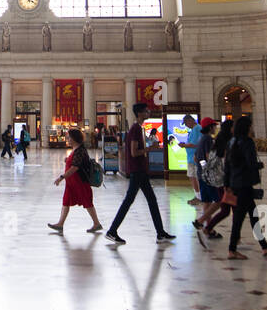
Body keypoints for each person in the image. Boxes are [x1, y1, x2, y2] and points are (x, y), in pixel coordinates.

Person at [105, 102, 176, 245]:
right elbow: (134, 152)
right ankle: (112, 231)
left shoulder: (138, 128)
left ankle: (160, 232)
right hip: (137, 171)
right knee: (130, 201)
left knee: (151, 200)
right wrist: (150, 149)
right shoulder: (136, 129)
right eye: (146, 111)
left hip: (141, 171)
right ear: (140, 113)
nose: (148, 112)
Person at [224, 115, 267, 259]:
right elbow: (251, 163)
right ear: (247, 127)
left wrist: (226, 184)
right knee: (238, 219)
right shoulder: (247, 142)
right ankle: (232, 249)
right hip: (245, 184)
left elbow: (227, 165)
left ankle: (264, 246)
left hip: (236, 183)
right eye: (250, 126)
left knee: (253, 216)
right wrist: (260, 165)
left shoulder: (231, 142)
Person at [48, 128, 104, 234]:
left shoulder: (80, 151)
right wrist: (67, 160)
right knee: (66, 201)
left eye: (69, 137)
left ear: (74, 138)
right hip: (71, 184)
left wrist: (61, 177)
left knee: (87, 202)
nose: (67, 139)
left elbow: (74, 168)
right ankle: (60, 224)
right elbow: (73, 163)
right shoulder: (76, 149)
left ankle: (97, 223)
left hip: (80, 182)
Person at [193, 118, 230, 240]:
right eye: (214, 126)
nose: (215, 128)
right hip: (208, 177)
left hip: (201, 174)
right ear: (210, 127)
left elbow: (196, 158)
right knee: (219, 200)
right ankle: (203, 222)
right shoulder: (208, 139)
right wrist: (208, 169)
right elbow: (209, 157)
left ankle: (208, 228)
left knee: (207, 202)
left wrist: (202, 168)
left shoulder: (200, 139)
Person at [180, 114, 202, 207]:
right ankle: (197, 196)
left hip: (195, 158)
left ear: (191, 120)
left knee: (195, 177)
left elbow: (196, 143)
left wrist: (184, 145)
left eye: (186, 123)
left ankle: (199, 197)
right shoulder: (193, 129)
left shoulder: (197, 128)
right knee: (192, 177)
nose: (186, 125)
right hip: (191, 158)